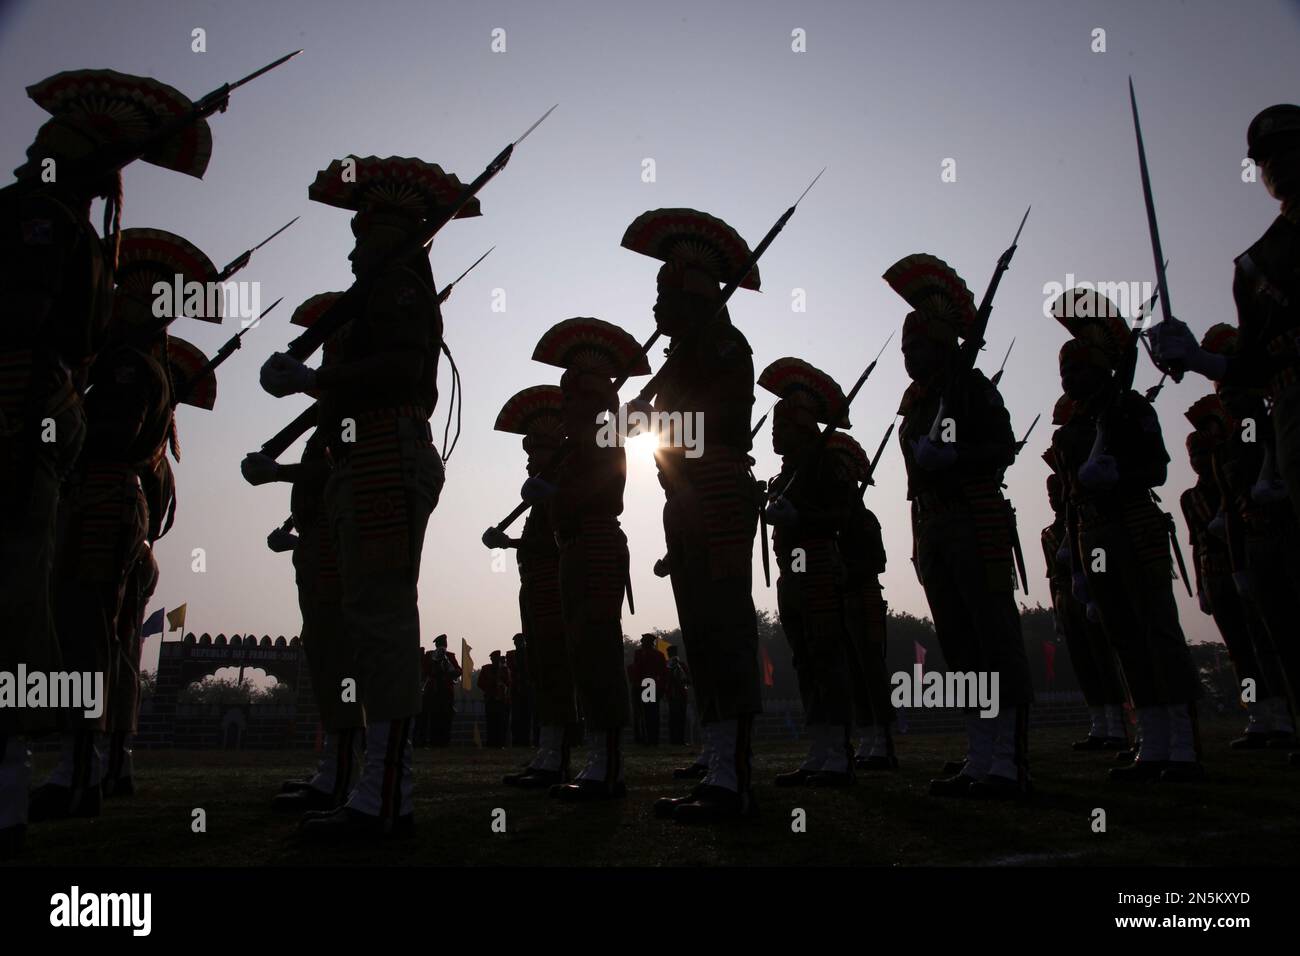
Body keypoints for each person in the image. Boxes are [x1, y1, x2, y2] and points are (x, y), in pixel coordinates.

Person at [261, 155, 461, 839]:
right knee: (362, 617)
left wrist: (313, 383)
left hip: (383, 451)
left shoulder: (399, 285)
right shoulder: (382, 292)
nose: (352, 247)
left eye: (363, 231)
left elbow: (404, 372)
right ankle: (369, 781)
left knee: (379, 619)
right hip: (361, 455)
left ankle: (387, 791)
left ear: (390, 233)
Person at [620, 208, 764, 823]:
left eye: (663, 297)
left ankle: (732, 778)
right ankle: (718, 761)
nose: (654, 312)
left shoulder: (723, 347)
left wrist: (652, 420)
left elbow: (720, 428)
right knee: (700, 634)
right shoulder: (683, 356)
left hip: (717, 492)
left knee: (723, 630)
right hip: (685, 495)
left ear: (692, 296)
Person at [888, 255, 1034, 799]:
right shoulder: (917, 405)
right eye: (905, 351)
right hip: (932, 528)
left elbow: (1004, 448)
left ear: (943, 344)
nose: (910, 359)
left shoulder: (971, 388)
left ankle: (1008, 760)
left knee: (994, 637)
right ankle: (980, 752)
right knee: (960, 646)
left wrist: (960, 457)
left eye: (918, 348)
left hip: (973, 517)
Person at [1050, 288, 1203, 783]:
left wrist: (1120, 475)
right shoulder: (1071, 433)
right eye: (1064, 372)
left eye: (1078, 369)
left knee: (1157, 629)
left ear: (1100, 369)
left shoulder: (1132, 409)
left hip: (1133, 524)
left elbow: (1157, 470)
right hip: (1092, 535)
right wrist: (1075, 564)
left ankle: (1182, 741)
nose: (1070, 379)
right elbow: (1072, 498)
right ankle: (1152, 739)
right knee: (1124, 637)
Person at [1151, 104, 1300, 527]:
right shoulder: (1254, 264)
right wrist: (1198, 359)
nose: (1275, 163)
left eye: (1289, 148)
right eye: (1265, 156)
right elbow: (1253, 366)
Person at [246, 292, 366, 811]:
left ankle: (344, 769)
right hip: (316, 539)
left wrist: (278, 473)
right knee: (321, 645)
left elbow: (334, 469)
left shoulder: (353, 410)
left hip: (336, 540)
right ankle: (334, 764)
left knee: (338, 648)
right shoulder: (329, 414)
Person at [526, 317, 645, 801]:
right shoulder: (579, 447)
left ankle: (608, 762)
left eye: (573, 397)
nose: (564, 406)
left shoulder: (603, 438)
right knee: (580, 650)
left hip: (595, 541)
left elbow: (600, 494)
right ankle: (598, 757)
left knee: (596, 649)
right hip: (574, 544)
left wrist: (553, 492)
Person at [760, 357, 859, 787]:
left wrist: (801, 517)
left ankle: (838, 752)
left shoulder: (825, 462)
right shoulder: (785, 473)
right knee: (804, 661)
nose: (774, 435)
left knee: (827, 658)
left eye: (780, 427)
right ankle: (819, 749)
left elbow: (843, 515)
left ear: (801, 426)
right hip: (792, 572)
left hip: (818, 564)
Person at [485, 385, 579, 787]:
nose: (528, 463)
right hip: (535, 586)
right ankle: (547, 749)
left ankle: (557, 753)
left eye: (534, 454)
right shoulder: (542, 493)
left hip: (553, 586)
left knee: (556, 666)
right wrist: (509, 543)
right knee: (542, 667)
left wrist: (511, 542)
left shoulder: (562, 489)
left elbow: (558, 540)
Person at [826, 432, 898, 770]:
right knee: (854, 672)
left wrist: (847, 568)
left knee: (871, 669)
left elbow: (878, 561)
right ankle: (867, 735)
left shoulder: (864, 520)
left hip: (864, 595)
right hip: (843, 598)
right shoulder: (837, 522)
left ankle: (883, 739)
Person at [630, 634, 669, 746]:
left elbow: (636, 669)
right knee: (651, 713)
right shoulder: (659, 655)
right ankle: (652, 738)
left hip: (644, 685)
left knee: (644, 713)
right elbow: (663, 673)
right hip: (650, 685)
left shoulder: (641, 654)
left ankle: (644, 738)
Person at [427, 634, 462, 747]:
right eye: (441, 644)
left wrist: (450, 673)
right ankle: (434, 741)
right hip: (435, 690)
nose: (442, 646)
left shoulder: (450, 656)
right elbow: (425, 670)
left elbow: (458, 670)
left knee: (446, 717)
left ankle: (445, 741)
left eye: (443, 644)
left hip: (446, 691)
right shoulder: (429, 655)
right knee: (434, 717)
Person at [478, 650, 512, 748]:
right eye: (493, 659)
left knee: (501, 722)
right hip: (491, 698)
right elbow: (480, 683)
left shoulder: (504, 669)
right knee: (491, 722)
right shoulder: (485, 669)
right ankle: (491, 742)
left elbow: (509, 682)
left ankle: (501, 743)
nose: (494, 660)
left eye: (496, 658)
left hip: (501, 699)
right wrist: (489, 688)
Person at [664, 645, 691, 746]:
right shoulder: (678, 665)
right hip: (677, 694)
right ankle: (677, 740)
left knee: (676, 718)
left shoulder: (669, 666)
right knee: (677, 718)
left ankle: (676, 740)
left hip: (676, 694)